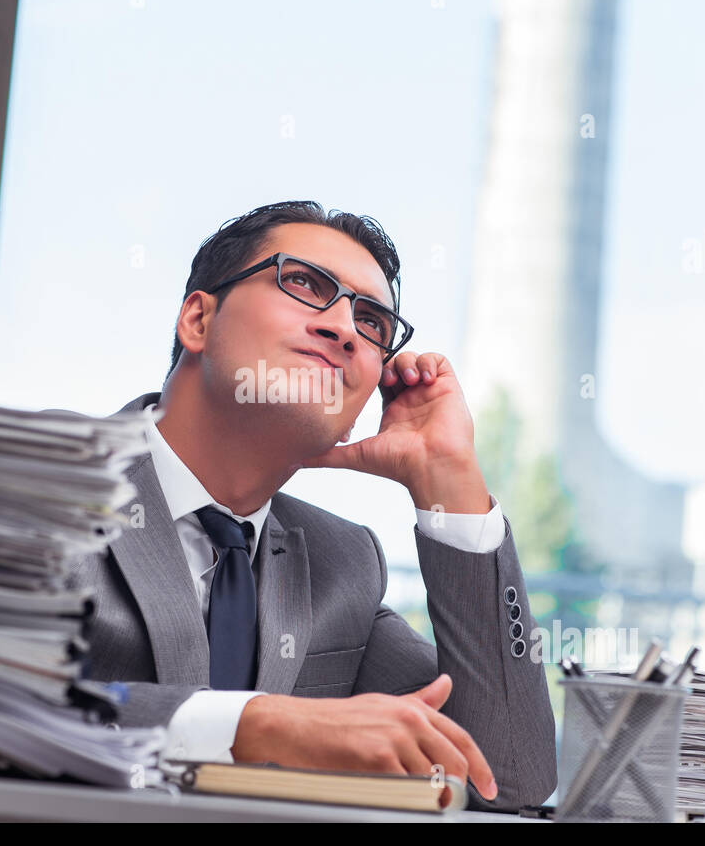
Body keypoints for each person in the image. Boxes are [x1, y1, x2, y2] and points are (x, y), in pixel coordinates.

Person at [60, 200, 556, 811]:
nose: (345, 327)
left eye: (373, 321)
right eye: (302, 283)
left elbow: (508, 776)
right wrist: (250, 725)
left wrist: (449, 479)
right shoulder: (32, 479)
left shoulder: (341, 564)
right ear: (198, 319)